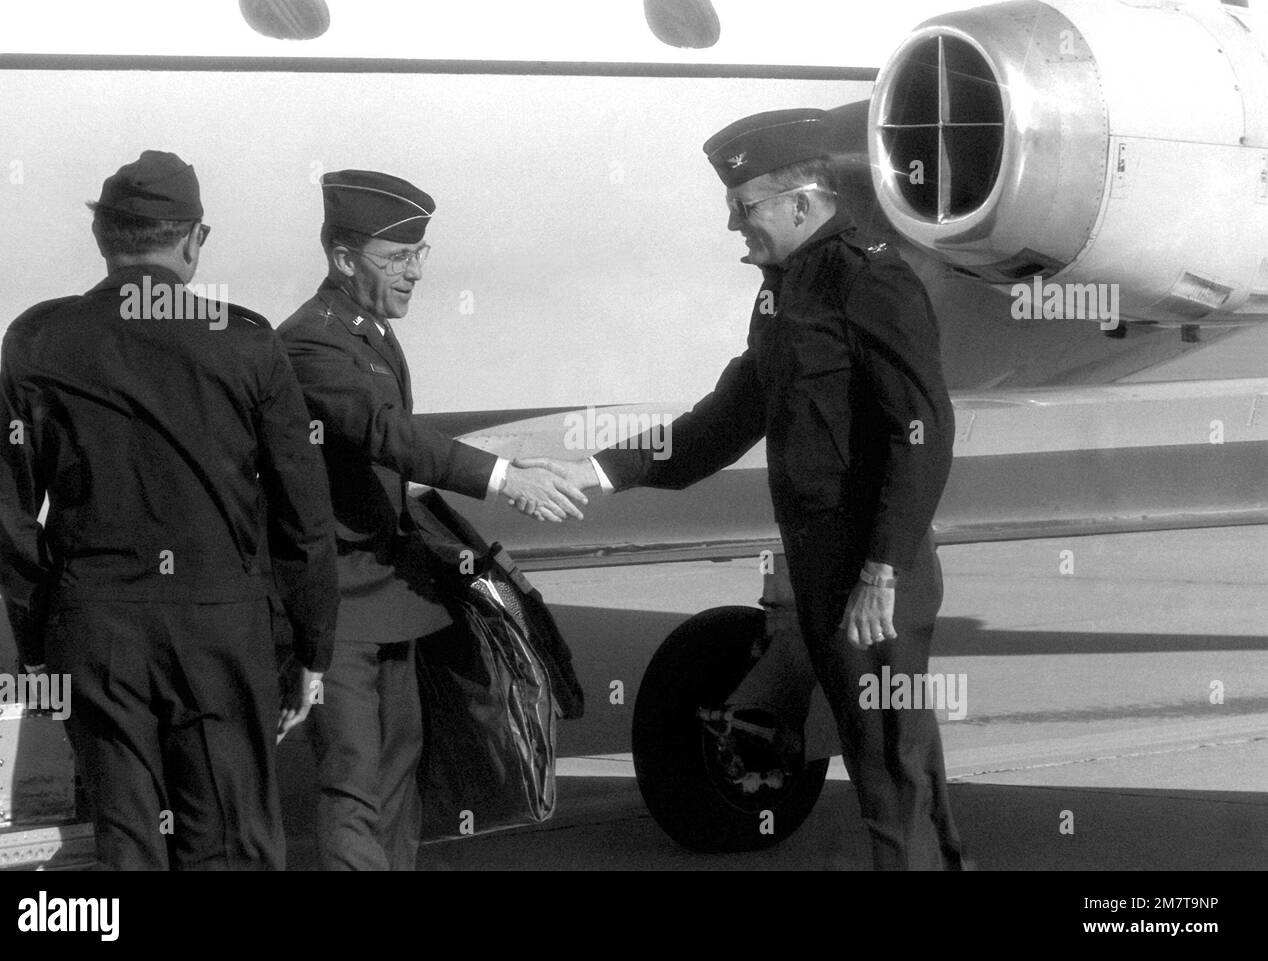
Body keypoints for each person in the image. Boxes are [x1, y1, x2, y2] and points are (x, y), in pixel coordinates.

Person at [523, 109, 966, 870]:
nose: (733, 222)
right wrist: (600, 471)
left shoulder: (872, 280)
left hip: (872, 579)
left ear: (801, 202)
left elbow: (922, 434)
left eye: (744, 204)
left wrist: (881, 571)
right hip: (830, 576)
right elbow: (725, 420)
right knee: (897, 765)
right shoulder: (782, 292)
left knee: (890, 774)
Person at [0, 150, 339, 870]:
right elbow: (303, 512)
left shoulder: (37, 339)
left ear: (101, 238)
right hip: (221, 632)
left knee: (127, 842)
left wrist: (40, 645)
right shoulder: (245, 342)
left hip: (95, 628)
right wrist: (311, 646)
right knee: (231, 842)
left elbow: (11, 515)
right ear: (193, 240)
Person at [277, 169, 586, 870]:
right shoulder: (310, 343)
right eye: (398, 258)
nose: (416, 272)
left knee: (397, 777)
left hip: (390, 595)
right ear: (343, 257)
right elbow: (388, 434)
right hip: (340, 608)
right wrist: (504, 478)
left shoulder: (367, 330)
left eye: (420, 254)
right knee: (354, 781)